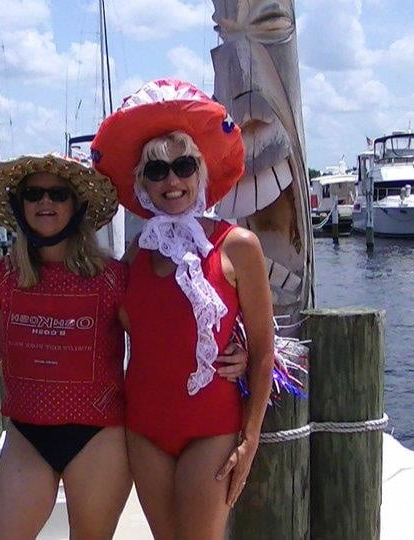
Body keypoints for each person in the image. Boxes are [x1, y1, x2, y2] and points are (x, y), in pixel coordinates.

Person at [0, 154, 248, 539]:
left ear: (76, 205)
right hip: (28, 436)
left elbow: (165, 336)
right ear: (20, 205)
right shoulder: (6, 276)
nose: (45, 202)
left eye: (58, 194)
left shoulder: (112, 277)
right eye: (33, 194)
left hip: (99, 437)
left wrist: (237, 347)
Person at [92, 79, 276, 539]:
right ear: (143, 184)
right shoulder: (134, 256)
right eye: (157, 171)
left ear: (201, 173)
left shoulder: (239, 246)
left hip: (211, 429)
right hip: (143, 429)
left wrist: (251, 438)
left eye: (183, 166)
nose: (172, 181)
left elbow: (265, 347)